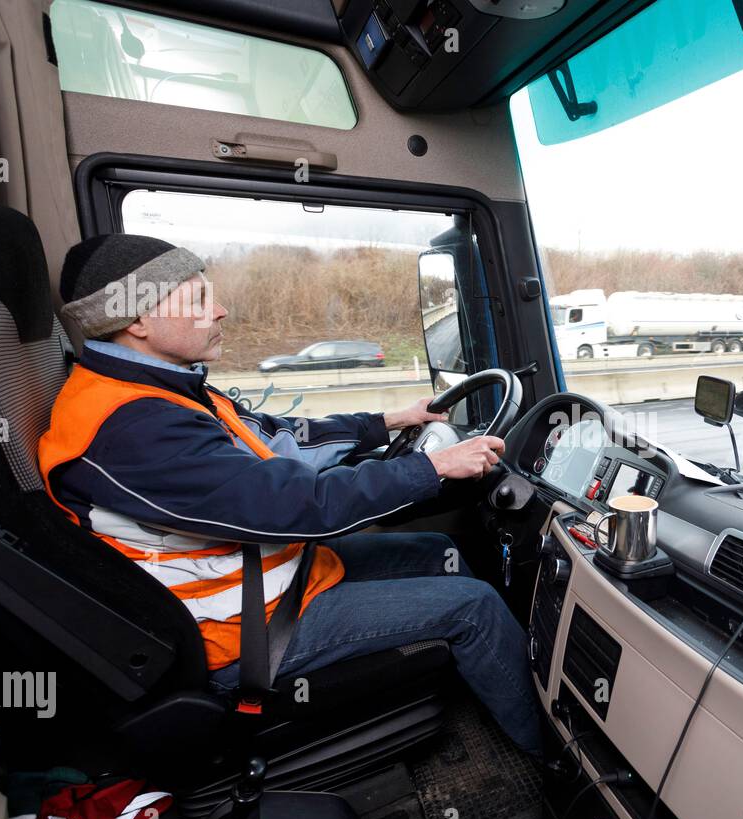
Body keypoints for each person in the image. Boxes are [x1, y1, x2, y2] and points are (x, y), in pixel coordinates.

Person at [37, 234, 541, 755]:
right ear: (136, 320)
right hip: (241, 631)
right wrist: (432, 465)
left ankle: (487, 682)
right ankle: (549, 756)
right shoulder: (131, 425)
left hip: (273, 577)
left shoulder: (163, 388)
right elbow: (299, 504)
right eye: (199, 300)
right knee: (473, 605)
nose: (222, 310)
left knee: (440, 551)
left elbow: (276, 438)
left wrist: (389, 422)